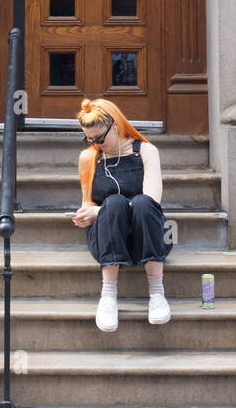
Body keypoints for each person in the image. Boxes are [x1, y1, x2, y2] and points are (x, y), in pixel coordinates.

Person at [73, 98, 173, 332]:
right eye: (89, 140)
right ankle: (108, 296)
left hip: (146, 237)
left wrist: (98, 211)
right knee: (114, 203)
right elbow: (87, 202)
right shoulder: (90, 158)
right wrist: (85, 214)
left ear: (116, 126)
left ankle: (157, 293)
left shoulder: (147, 151)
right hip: (108, 239)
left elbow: (153, 200)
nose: (96, 144)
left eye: (99, 138)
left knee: (141, 202)